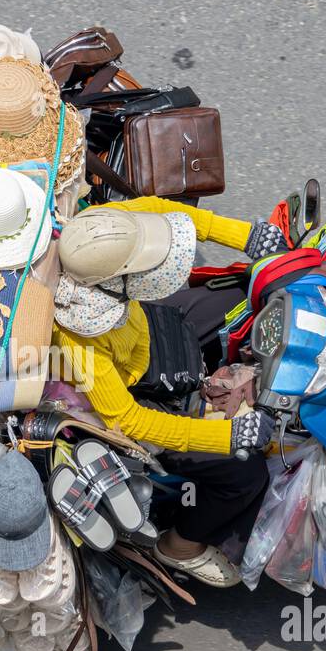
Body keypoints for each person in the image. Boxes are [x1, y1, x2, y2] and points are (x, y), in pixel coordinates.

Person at [51, 202, 273, 587]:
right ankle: (179, 546)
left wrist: (243, 235)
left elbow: (156, 210)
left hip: (150, 327)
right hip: (136, 399)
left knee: (243, 293)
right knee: (245, 471)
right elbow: (127, 420)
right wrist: (227, 436)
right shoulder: (77, 340)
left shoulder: (95, 233)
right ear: (115, 280)